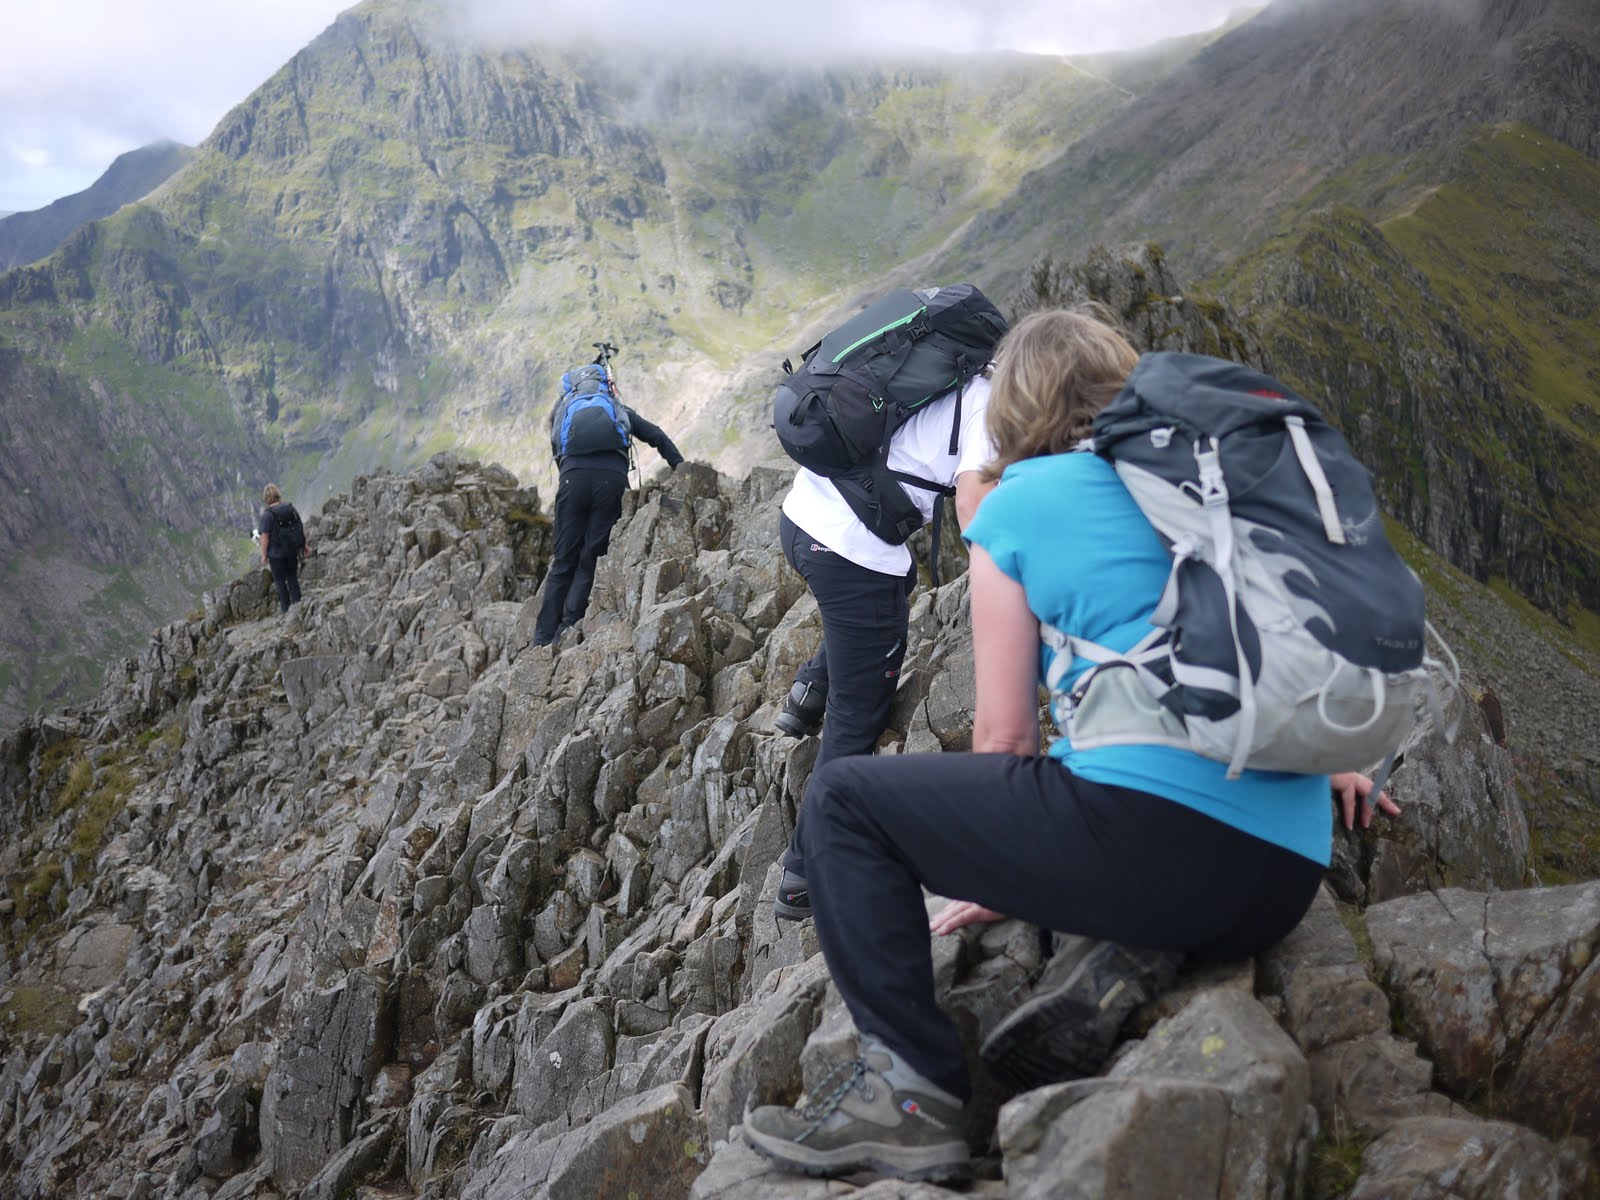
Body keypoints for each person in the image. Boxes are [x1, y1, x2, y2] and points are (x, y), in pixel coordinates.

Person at [743, 308, 1398, 1184]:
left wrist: (999, 867)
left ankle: (906, 1099)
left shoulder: (1016, 508)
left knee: (843, 802)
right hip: (1283, 871)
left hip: (1152, 848)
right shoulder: (1207, 488)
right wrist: (1330, 764)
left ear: (1013, 411)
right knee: (1133, 808)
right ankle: (1127, 942)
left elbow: (1006, 737)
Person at [771, 370, 995, 921]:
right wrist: (1003, 584)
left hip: (804, 515)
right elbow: (971, 505)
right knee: (858, 711)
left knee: (894, 591)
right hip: (846, 551)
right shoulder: (995, 407)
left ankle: (806, 693)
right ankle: (804, 875)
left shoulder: (957, 374)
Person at [533, 356, 683, 648]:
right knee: (591, 556)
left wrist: (570, 472)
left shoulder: (564, 409)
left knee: (564, 560)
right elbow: (657, 436)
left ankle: (541, 639)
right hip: (611, 480)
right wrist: (681, 467)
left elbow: (556, 445)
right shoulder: (616, 409)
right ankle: (568, 627)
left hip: (572, 479)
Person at [257, 483, 309, 614]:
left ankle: (286, 612)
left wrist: (264, 555)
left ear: (266, 498)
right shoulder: (290, 508)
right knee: (292, 577)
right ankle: (298, 607)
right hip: (292, 550)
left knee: (280, 582)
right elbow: (299, 526)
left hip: (276, 555)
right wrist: (305, 545)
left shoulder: (267, 515)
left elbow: (265, 537)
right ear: (278, 495)